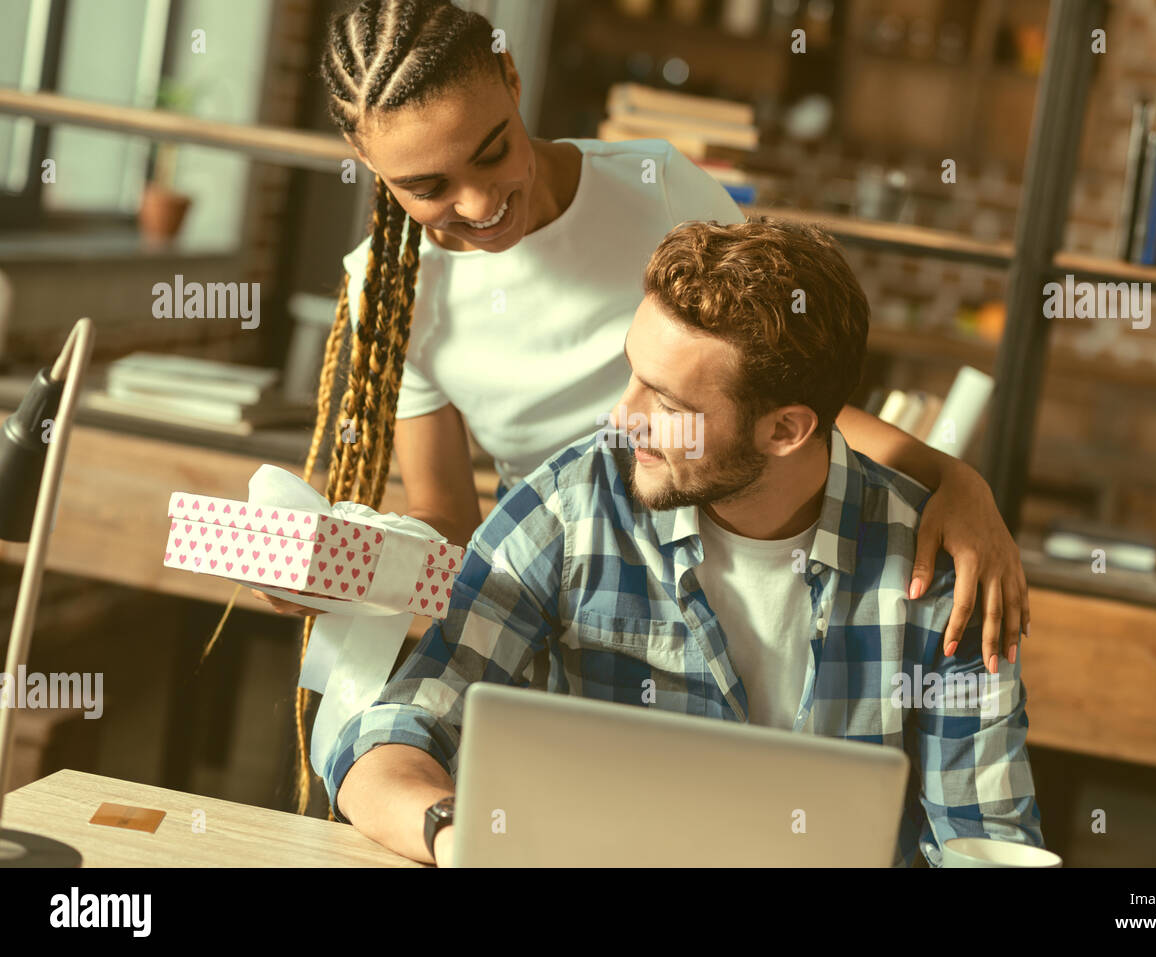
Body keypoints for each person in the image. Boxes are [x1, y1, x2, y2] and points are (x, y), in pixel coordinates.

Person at [247, 0, 1029, 811]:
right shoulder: (393, 287)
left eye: (493, 153)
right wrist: (357, 568)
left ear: (514, 81)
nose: (479, 205)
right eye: (428, 186)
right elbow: (453, 521)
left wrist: (953, 482)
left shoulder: (654, 188)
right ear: (367, 163)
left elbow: (787, 394)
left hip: (722, 525)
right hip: (571, 574)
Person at [326, 218, 1044, 867]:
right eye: (633, 374)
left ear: (786, 430)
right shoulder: (572, 506)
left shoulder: (941, 572)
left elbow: (984, 836)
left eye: (666, 403)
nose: (622, 415)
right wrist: (461, 837)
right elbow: (391, 736)